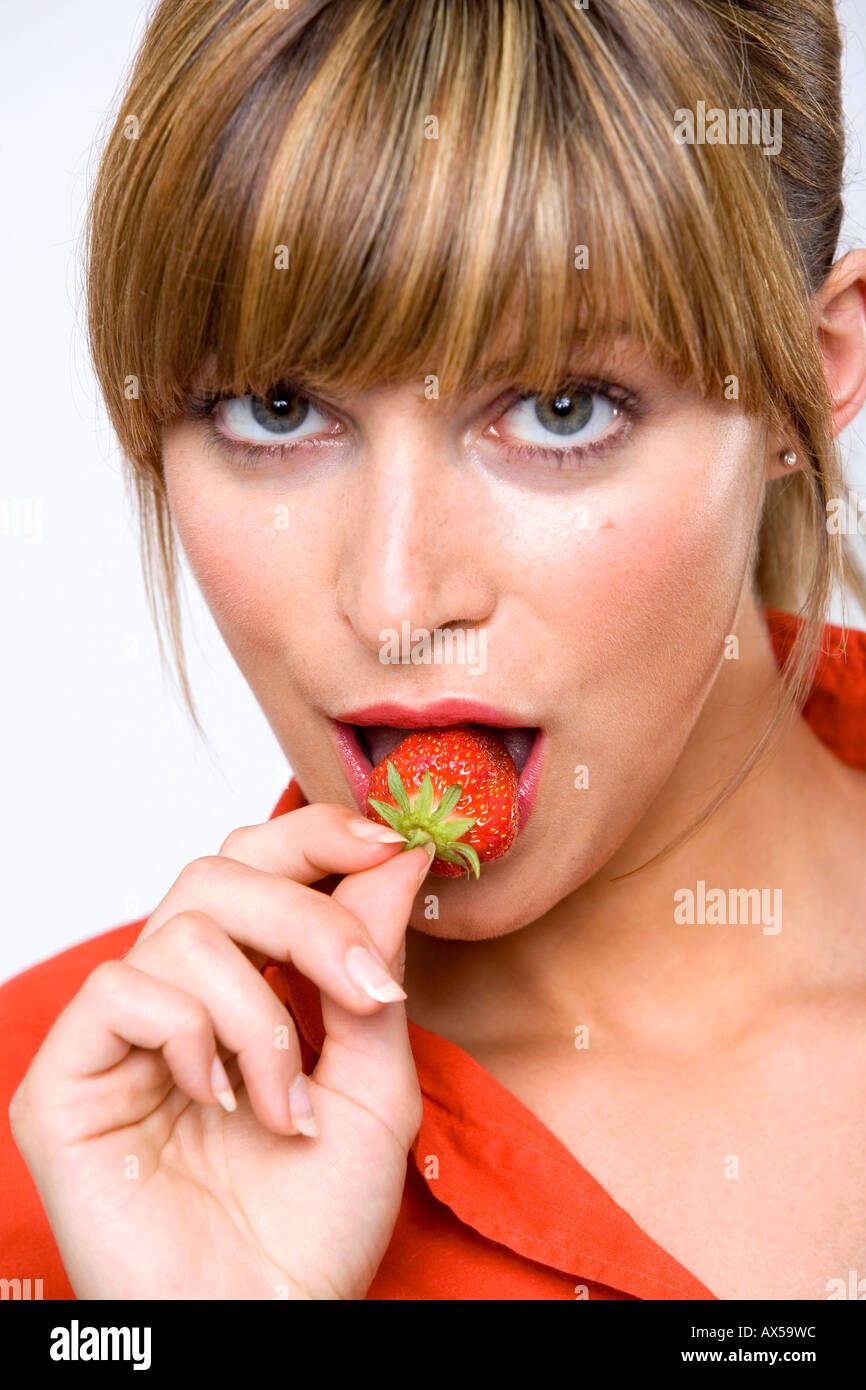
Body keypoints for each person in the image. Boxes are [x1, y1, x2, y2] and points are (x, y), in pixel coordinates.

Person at [3, 0, 866, 1301]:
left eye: (560, 408)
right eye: (276, 408)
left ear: (810, 375)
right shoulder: (64, 1147)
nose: (397, 593)